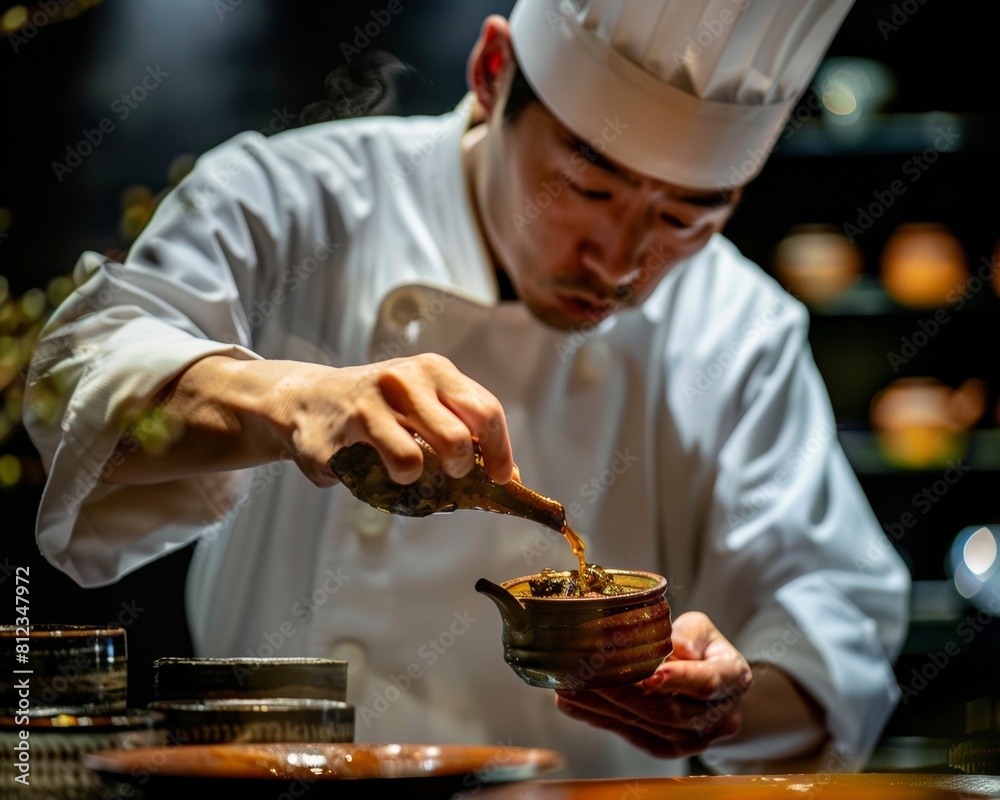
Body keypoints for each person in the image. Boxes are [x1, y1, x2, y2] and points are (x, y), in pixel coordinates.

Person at [25, 0, 909, 779]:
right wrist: (290, 400)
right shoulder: (293, 202)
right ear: (493, 73)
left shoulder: (736, 326)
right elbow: (75, 379)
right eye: (586, 184)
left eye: (687, 217)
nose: (621, 264)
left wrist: (732, 702)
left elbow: (838, 630)